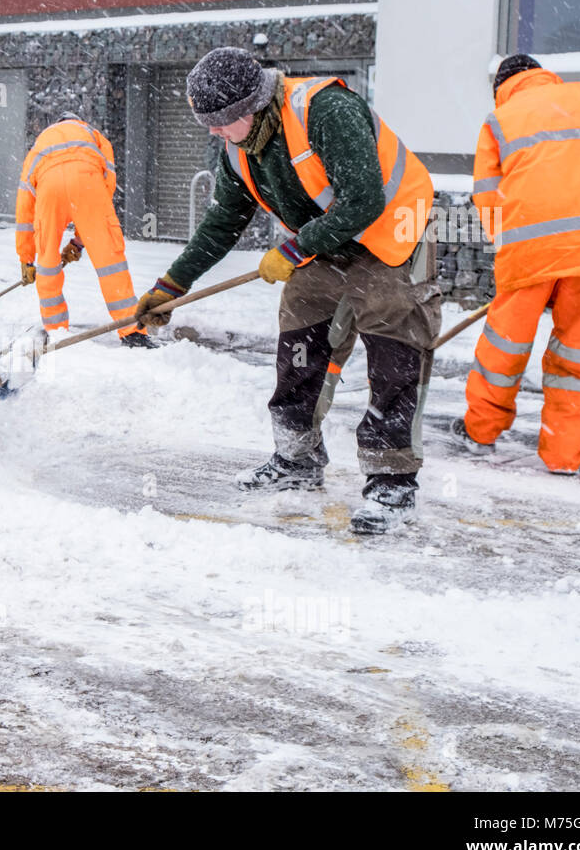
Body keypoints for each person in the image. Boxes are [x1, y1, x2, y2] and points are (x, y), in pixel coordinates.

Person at [136, 47, 440, 534]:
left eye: (218, 121)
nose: (213, 131)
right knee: (299, 338)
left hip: (391, 236)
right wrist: (171, 285)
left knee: (393, 353)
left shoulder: (326, 111)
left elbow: (364, 200)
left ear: (249, 108)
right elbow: (222, 222)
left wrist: (296, 250)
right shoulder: (238, 146)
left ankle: (392, 482)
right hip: (324, 243)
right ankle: (297, 459)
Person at [450, 54, 580, 473]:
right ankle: (563, 457)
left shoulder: (499, 121)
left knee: (504, 348)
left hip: (529, 250)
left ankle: (480, 432)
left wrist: (511, 246)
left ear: (502, 87)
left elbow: (488, 198)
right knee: (576, 357)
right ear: (542, 73)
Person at [15, 111, 155, 348]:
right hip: (88, 185)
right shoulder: (93, 135)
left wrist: (27, 259)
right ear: (78, 121)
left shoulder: (40, 144)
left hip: (49, 190)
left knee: (47, 263)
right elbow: (107, 184)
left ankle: (56, 331)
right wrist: (83, 240)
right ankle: (132, 332)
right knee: (111, 262)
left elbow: (24, 208)